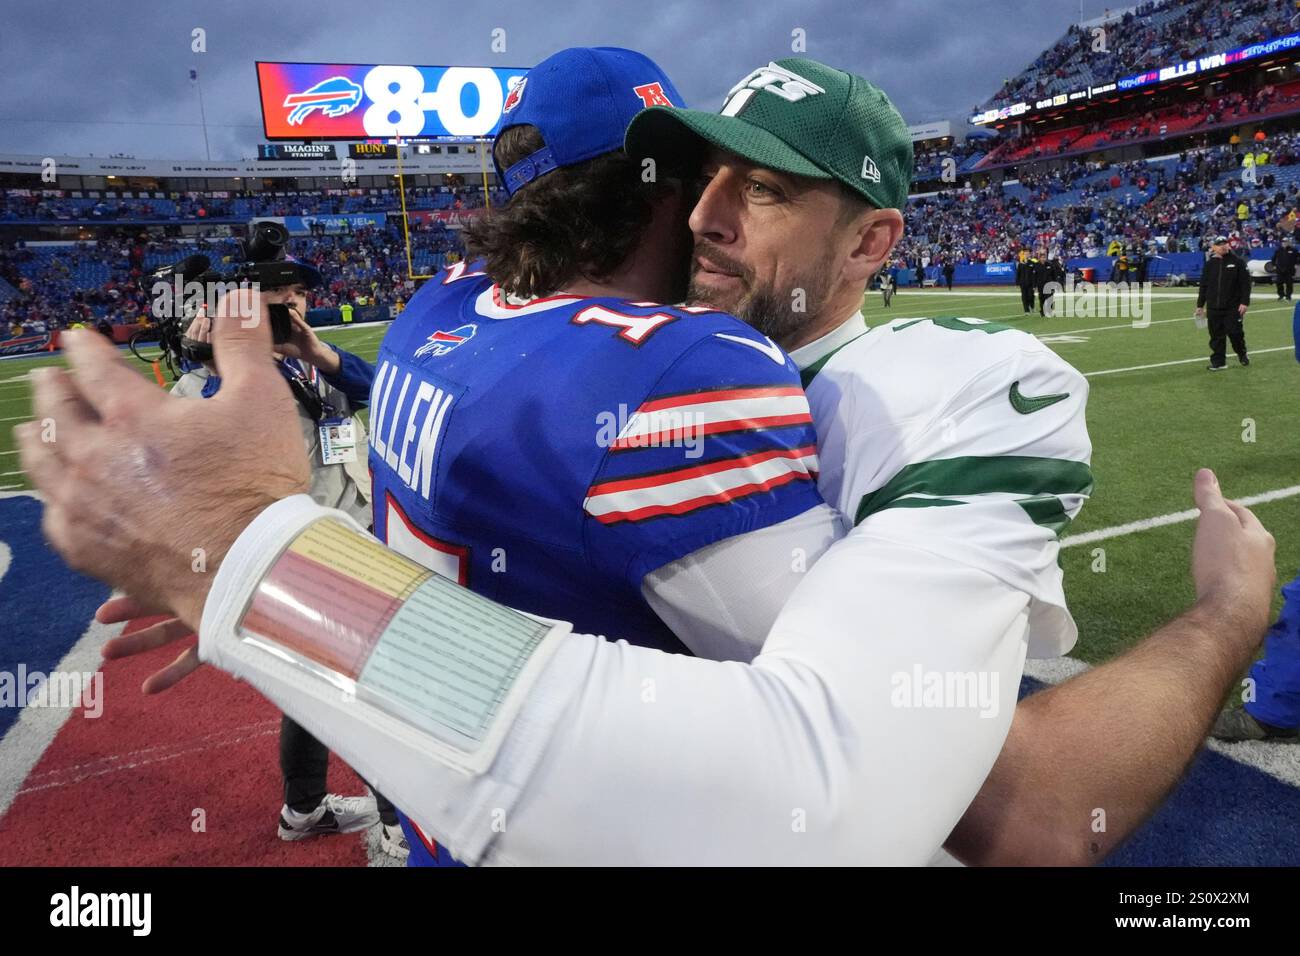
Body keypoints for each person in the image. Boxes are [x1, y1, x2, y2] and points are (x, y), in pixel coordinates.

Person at [22, 56, 1278, 866]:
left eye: (764, 189)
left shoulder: (445, 310)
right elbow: (1014, 808)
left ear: (873, 238)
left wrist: (297, 577)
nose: (710, 214)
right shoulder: (682, 373)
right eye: (700, 176)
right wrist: (1225, 614)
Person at [167, 284, 408, 861]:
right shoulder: (207, 382)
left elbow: (384, 392)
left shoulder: (312, 361)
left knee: (316, 685)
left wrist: (316, 352)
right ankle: (398, 827)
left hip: (353, 535)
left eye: (296, 293)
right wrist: (224, 362)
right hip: (292, 553)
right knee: (367, 685)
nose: (290, 306)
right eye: (274, 297)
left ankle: (304, 810)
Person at [1196, 235, 1251, 370]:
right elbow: (1204, 286)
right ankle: (1219, 362)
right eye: (1219, 244)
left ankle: (1242, 353)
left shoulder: (1238, 262)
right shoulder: (1209, 265)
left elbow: (1245, 284)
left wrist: (1244, 302)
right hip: (1213, 307)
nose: (1223, 246)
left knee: (1235, 333)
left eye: (1225, 243)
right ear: (1214, 247)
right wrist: (1200, 305)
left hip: (1232, 307)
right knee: (1216, 336)